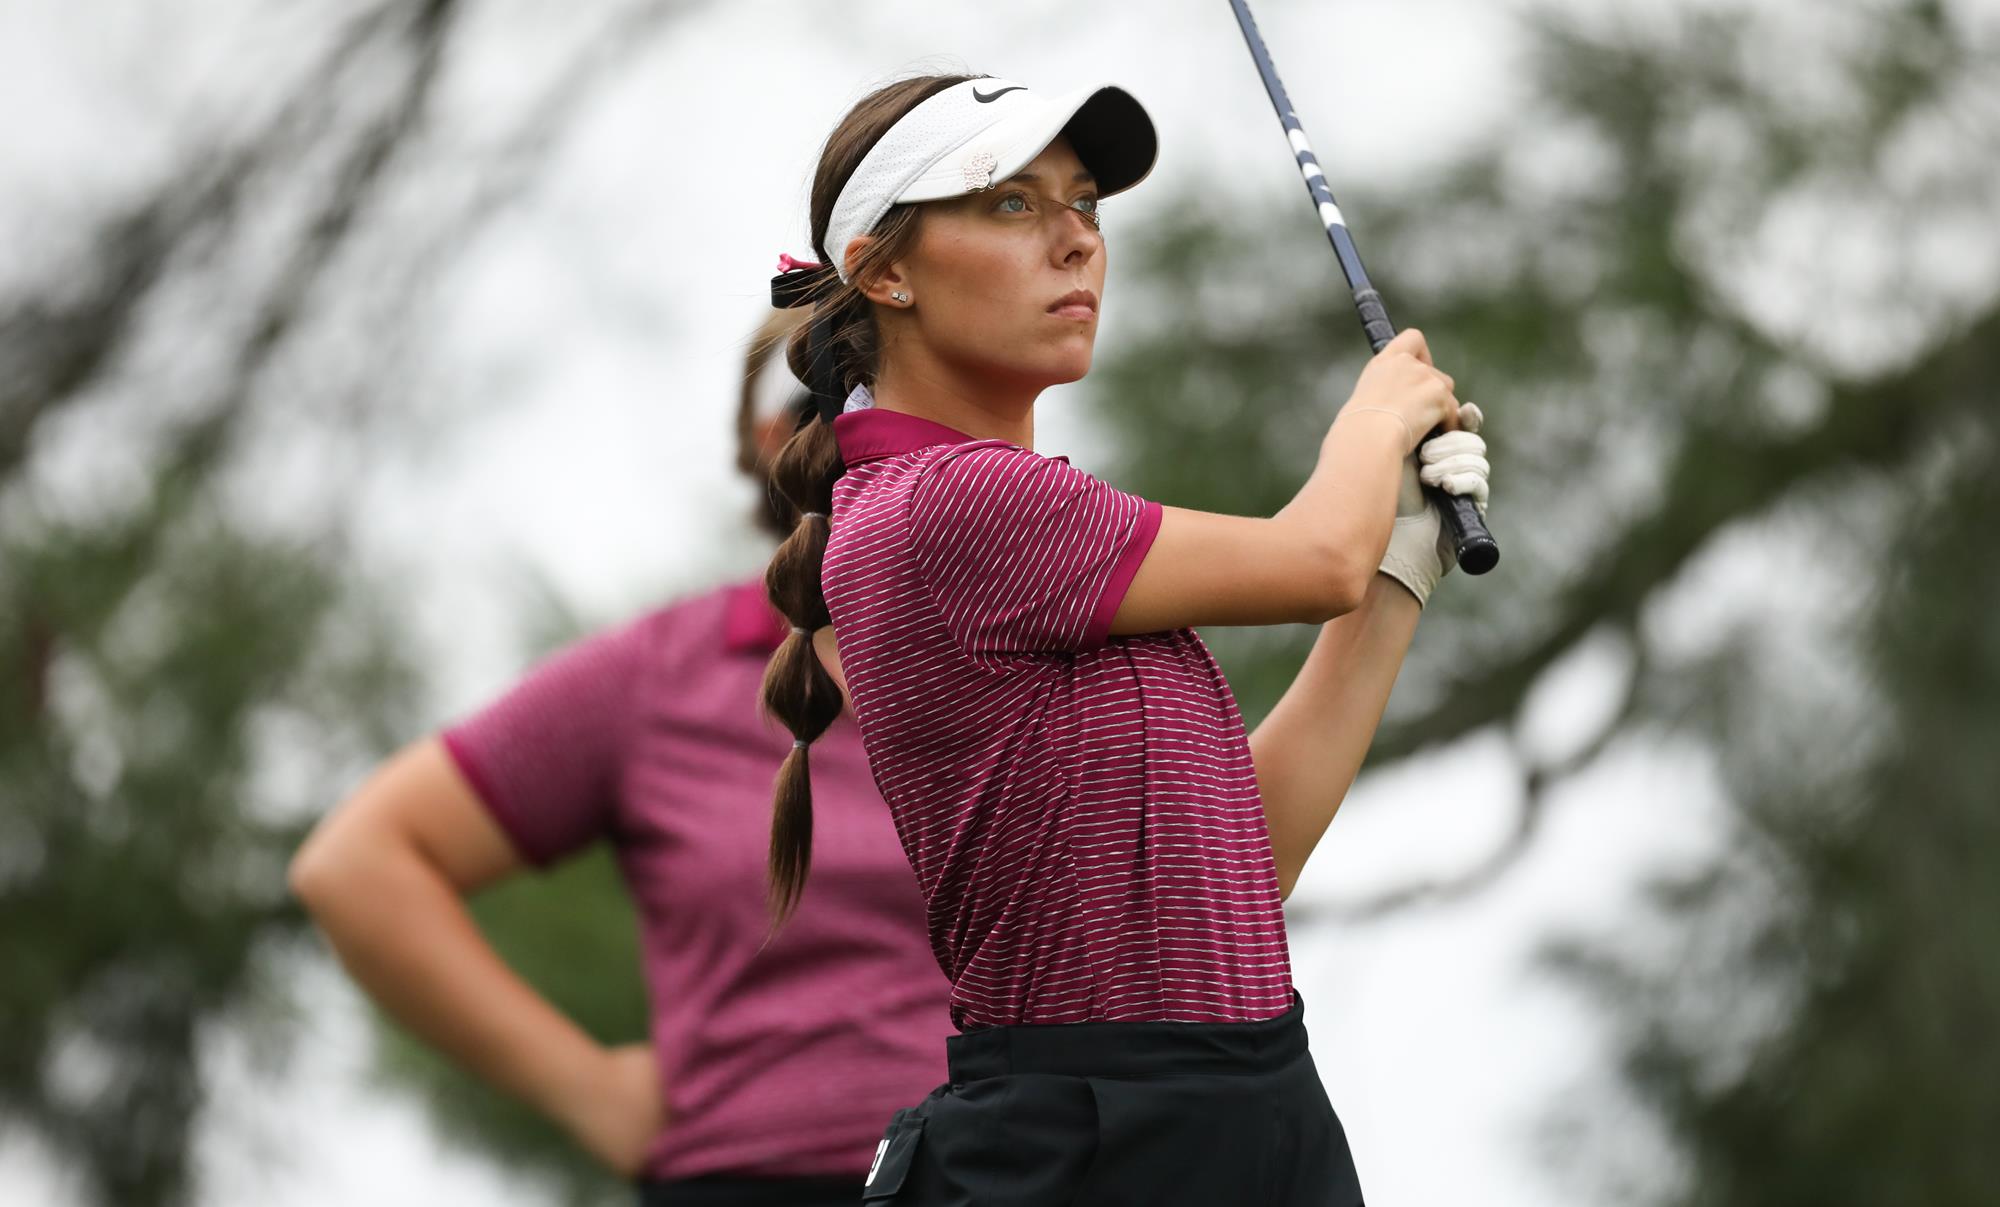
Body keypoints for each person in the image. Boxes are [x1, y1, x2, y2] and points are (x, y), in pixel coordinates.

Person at [758, 75, 1492, 1205]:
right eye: (1010, 203)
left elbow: (1250, 860)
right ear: (883, 272)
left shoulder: (1012, 520)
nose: (1076, 242)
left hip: (1251, 1101)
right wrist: (1380, 415)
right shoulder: (946, 502)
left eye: (1086, 203)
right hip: (1095, 1135)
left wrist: (1402, 568)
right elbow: (1314, 560)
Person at [288, 311, 952, 1207]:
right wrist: (588, 1087)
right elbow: (358, 864)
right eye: (866, 412)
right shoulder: (661, 677)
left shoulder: (1041, 665)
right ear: (777, 443)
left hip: (1024, 1175)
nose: (907, 447)